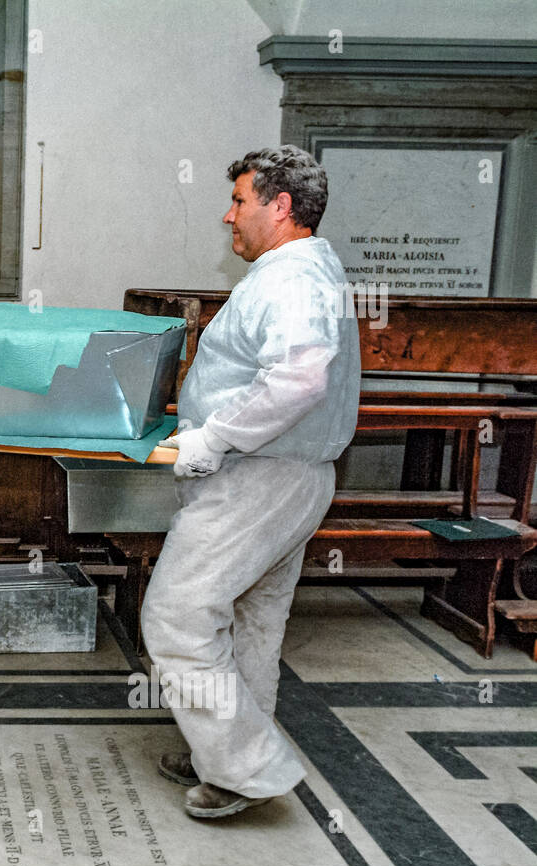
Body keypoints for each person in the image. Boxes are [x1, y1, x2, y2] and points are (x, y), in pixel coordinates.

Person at [141, 146, 359, 818]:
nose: (227, 215)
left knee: (176, 616)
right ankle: (228, 757)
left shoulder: (291, 280)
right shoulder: (307, 268)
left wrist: (212, 436)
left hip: (260, 477)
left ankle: (247, 765)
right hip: (289, 476)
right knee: (252, 621)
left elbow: (297, 380)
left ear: (281, 205)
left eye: (239, 201)